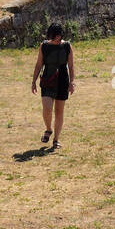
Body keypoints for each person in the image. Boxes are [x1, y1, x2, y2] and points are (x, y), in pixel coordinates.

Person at [30, 22, 76, 150]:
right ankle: (48, 129)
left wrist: (72, 82)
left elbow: (71, 66)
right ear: (50, 35)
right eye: (55, 36)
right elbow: (39, 64)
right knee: (47, 108)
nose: (57, 39)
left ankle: (56, 139)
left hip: (62, 80)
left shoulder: (67, 46)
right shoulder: (44, 46)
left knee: (59, 112)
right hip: (47, 80)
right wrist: (33, 81)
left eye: (59, 36)